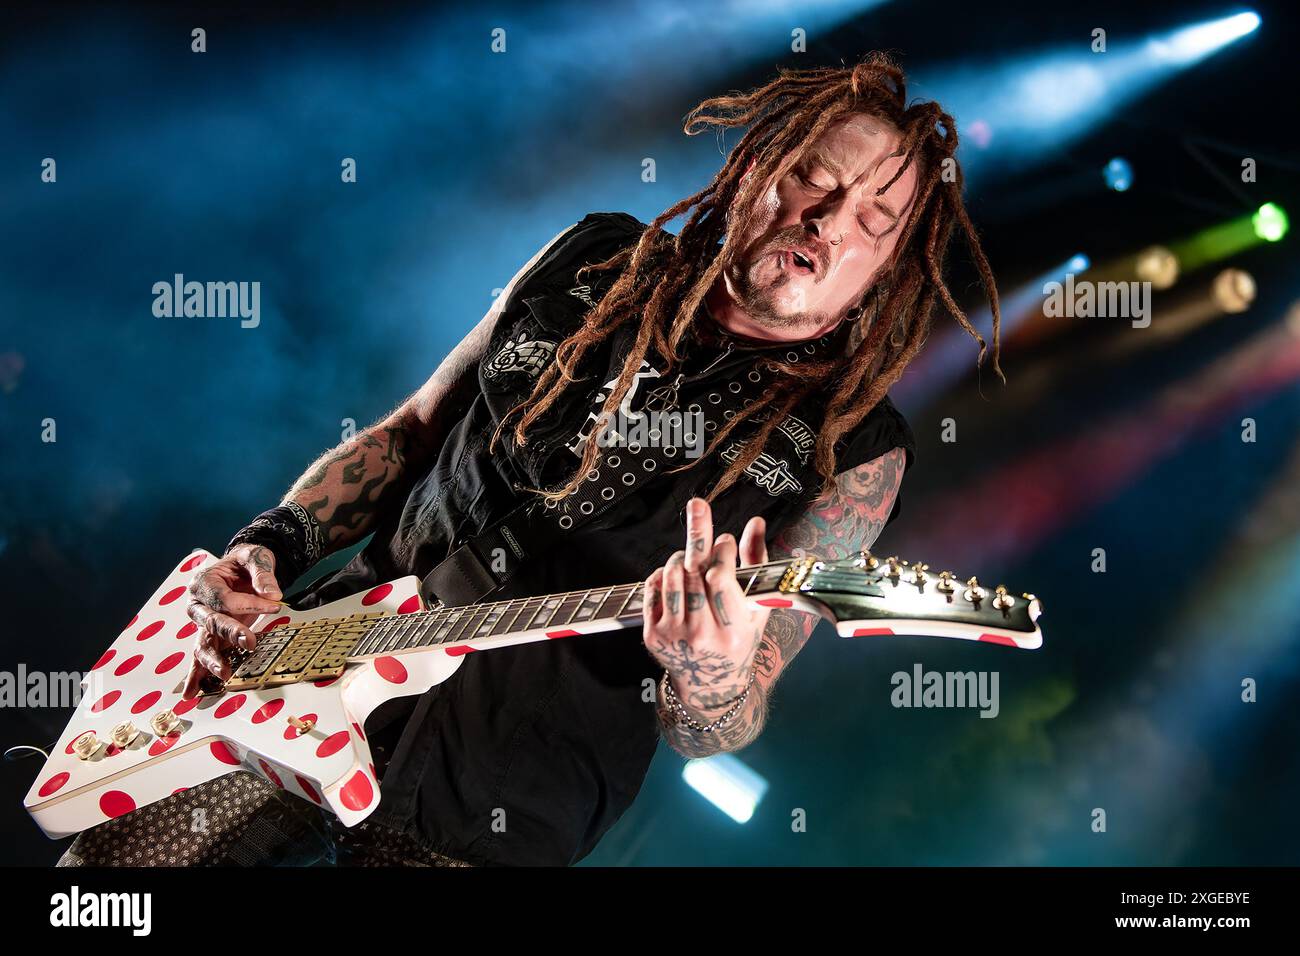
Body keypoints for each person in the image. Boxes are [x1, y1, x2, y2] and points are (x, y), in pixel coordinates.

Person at [57, 54, 1000, 867]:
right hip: (295, 688)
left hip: (493, 817)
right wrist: (271, 542)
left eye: (874, 222)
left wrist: (711, 668)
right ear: (757, 167)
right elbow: (411, 433)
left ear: (887, 269)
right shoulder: (592, 259)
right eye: (815, 181)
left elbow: (722, 723)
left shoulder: (855, 448)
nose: (831, 223)